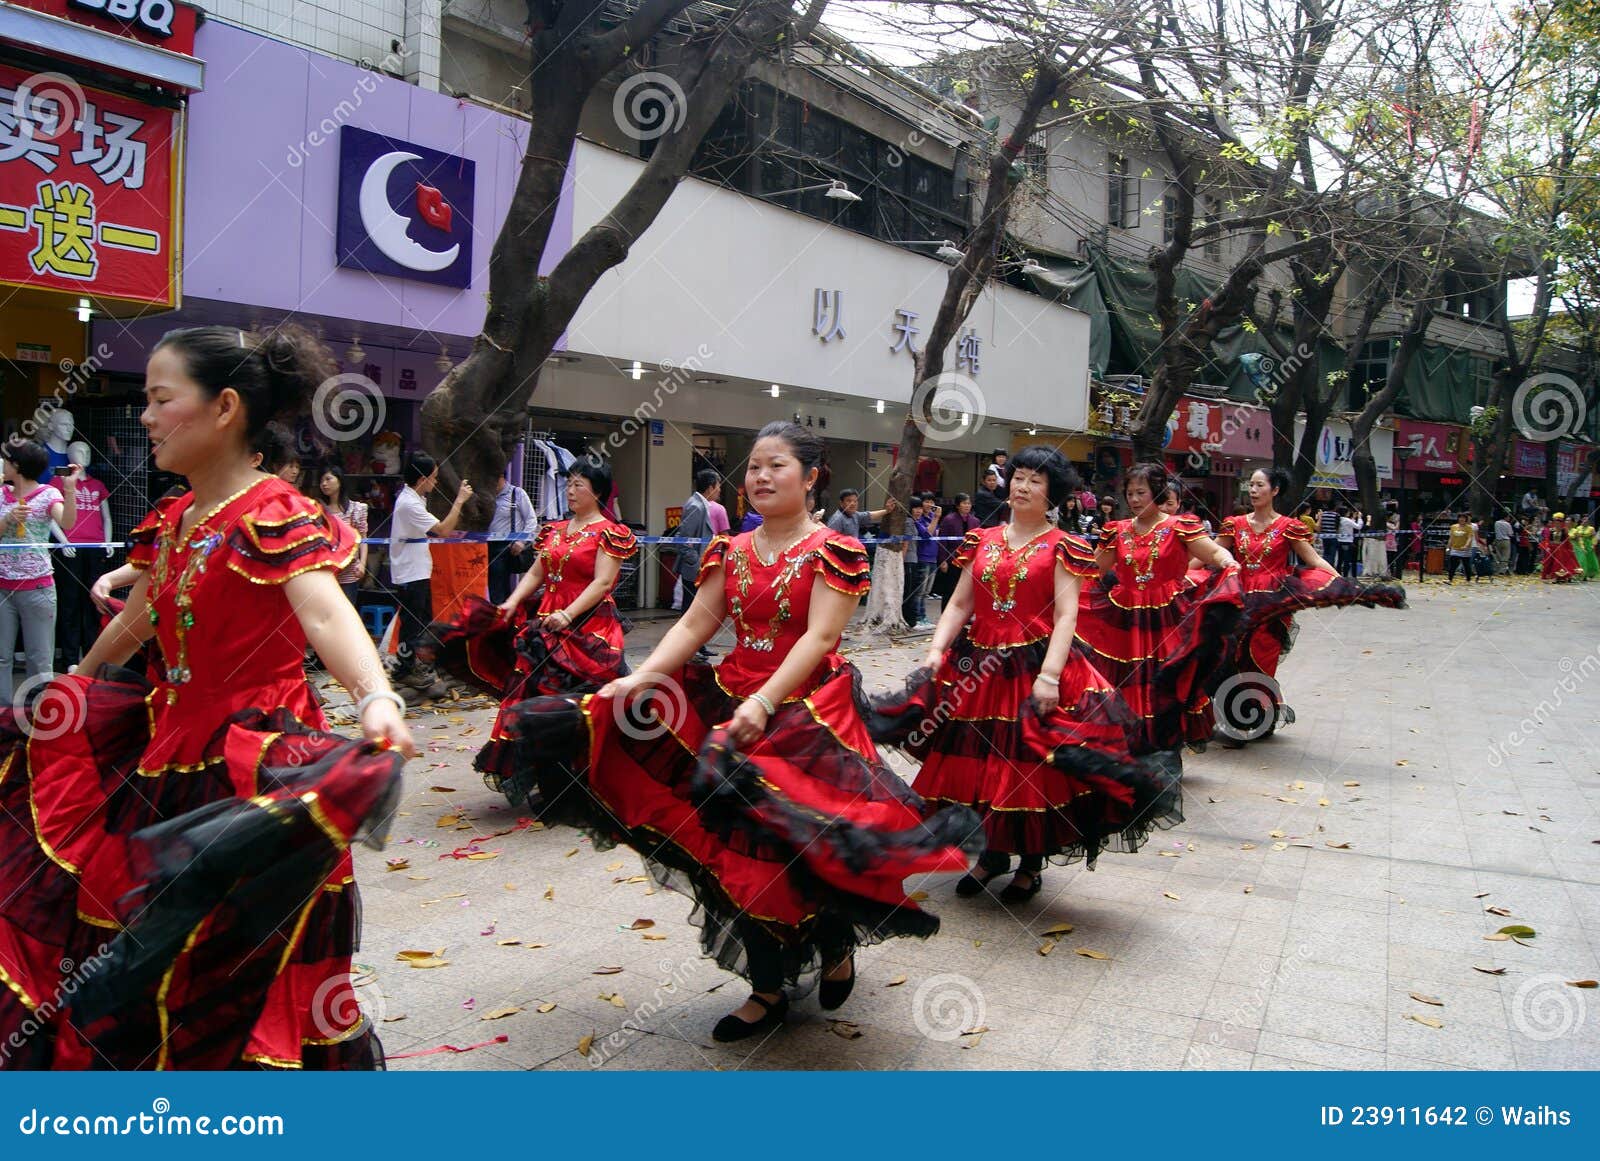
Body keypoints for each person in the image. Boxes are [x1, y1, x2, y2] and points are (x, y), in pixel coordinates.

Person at [0, 324, 414, 1070]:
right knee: (136, 940)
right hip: (164, 752)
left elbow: (322, 611)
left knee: (238, 961)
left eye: (162, 399)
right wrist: (73, 690)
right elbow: (137, 621)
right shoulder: (177, 517)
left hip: (253, 766)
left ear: (224, 408)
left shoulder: (275, 509)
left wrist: (376, 697)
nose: (148, 416)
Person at [501, 421, 980, 1042]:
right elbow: (699, 621)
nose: (759, 477)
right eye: (754, 466)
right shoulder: (732, 549)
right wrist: (640, 677)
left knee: (810, 845)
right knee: (738, 854)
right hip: (731, 702)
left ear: (810, 478)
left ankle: (835, 946)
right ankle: (767, 987)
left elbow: (821, 637)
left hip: (807, 717)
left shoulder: (835, 549)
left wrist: (764, 701)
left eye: (776, 466)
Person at [869, 447, 1182, 903]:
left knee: (1028, 768)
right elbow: (959, 603)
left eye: (1035, 480)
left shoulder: (1064, 545)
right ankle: (990, 855)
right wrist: (936, 651)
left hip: (1035, 666)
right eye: (1018, 477)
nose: (1022, 486)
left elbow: (1066, 615)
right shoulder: (984, 538)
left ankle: (1029, 865)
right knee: (977, 766)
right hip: (977, 668)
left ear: (1050, 492)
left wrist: (1051, 676)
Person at [429, 457, 637, 810]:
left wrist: (568, 614)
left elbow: (602, 582)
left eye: (579, 484)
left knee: (581, 703)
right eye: (568, 483)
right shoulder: (553, 530)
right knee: (530, 696)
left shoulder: (610, 533)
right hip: (545, 622)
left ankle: (591, 776)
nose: (571, 490)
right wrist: (510, 603)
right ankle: (546, 773)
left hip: (588, 627)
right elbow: (537, 574)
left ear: (597, 491)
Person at [1213, 469, 1405, 744]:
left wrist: (1341, 584)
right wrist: (1181, 572)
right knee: (1231, 657)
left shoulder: (1289, 526)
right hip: (1238, 601)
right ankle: (1247, 718)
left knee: (1260, 659)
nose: (1253, 490)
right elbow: (1212, 553)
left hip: (1274, 606)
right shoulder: (1234, 524)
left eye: (1259, 485)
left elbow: (1313, 560)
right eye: (1251, 485)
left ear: (1274, 490)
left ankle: (1248, 721)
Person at [1074, 462, 1242, 769]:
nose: (1135, 499)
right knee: (1124, 683)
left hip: (1168, 620)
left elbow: (1213, 553)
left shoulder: (1180, 526)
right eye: (1130, 493)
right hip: (1124, 622)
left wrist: (1228, 561)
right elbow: (1091, 569)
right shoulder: (1117, 531)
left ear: (1157, 492)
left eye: (1141, 492)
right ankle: (1134, 750)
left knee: (1164, 683)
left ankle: (1164, 752)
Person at [388, 451, 472, 701]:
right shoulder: (409, 503)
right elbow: (443, 529)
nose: (435, 483)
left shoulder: (415, 498)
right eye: (433, 478)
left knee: (421, 621)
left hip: (417, 570)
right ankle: (404, 670)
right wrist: (459, 500)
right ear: (422, 478)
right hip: (409, 572)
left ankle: (415, 665)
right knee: (412, 625)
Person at [0, 439, 77, 703]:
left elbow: (67, 522)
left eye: (6, 460)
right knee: (1, 656)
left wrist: (70, 490)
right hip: (2, 587)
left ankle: (38, 718)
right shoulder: (1, 493)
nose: (3, 464)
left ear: (17, 466)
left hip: (38, 588)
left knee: (40, 658)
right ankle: (4, 717)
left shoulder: (48, 494)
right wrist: (8, 519)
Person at [674, 469, 723, 657]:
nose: (719, 490)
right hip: (693, 569)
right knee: (690, 610)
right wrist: (697, 563)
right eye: (718, 486)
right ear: (710, 487)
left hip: (698, 568)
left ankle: (697, 646)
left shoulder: (703, 505)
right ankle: (686, 647)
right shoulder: (696, 506)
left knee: (697, 609)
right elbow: (684, 540)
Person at [319, 465, 369, 606]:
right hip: (327, 571)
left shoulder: (356, 509)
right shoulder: (320, 510)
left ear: (340, 481)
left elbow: (363, 538)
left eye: (328, 479)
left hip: (349, 572)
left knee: (347, 608)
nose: (324, 484)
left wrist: (362, 563)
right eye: (321, 480)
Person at [486, 465, 536, 606]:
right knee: (495, 583)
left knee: (498, 584)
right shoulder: (487, 496)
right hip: (487, 545)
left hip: (507, 546)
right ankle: (504, 615)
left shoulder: (517, 493)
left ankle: (500, 614)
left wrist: (521, 541)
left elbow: (531, 520)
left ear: (501, 477)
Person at [933, 492, 980, 606]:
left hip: (968, 560)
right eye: (964, 503)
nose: (967, 506)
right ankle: (946, 614)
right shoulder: (949, 519)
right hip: (952, 559)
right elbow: (942, 540)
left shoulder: (975, 521)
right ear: (958, 505)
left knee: (966, 589)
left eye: (969, 503)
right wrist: (943, 560)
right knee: (950, 589)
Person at [826, 488, 893, 539]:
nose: (853, 504)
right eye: (848, 501)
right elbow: (830, 540)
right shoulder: (837, 519)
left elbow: (869, 515)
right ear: (841, 503)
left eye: (855, 501)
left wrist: (887, 511)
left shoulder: (855, 514)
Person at [1541, 513, 1580, 583]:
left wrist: (1569, 549)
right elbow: (1548, 540)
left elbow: (1566, 541)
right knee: (1549, 563)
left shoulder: (1564, 530)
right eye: (1556, 521)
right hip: (1552, 548)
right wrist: (1548, 547)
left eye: (1559, 521)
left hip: (1560, 549)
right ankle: (1551, 576)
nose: (1557, 522)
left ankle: (1557, 577)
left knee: (1558, 564)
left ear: (1561, 522)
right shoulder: (1551, 530)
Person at [1445, 511, 1477, 584]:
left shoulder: (1469, 528)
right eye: (1460, 518)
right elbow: (1451, 537)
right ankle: (1450, 579)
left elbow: (1470, 538)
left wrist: (1466, 545)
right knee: (1453, 565)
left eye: (1463, 518)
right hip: (1455, 549)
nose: (1461, 519)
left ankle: (1468, 580)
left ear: (1466, 519)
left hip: (1465, 550)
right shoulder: (1453, 527)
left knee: (1466, 565)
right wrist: (1448, 547)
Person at [1573, 514, 1599, 580]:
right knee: (1581, 559)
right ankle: (1581, 573)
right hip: (1579, 545)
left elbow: (1594, 537)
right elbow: (1575, 536)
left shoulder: (1591, 528)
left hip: (1588, 545)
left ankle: (1587, 574)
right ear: (1582, 520)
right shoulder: (1578, 528)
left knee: (1589, 560)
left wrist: (1593, 545)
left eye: (1586, 520)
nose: (1585, 521)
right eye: (1584, 519)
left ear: (1588, 521)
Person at [1336, 506, 1359, 576]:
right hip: (1347, 542)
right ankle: (1345, 576)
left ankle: (1338, 575)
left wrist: (1353, 518)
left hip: (1339, 541)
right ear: (1345, 512)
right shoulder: (1346, 520)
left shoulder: (1338, 519)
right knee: (1346, 560)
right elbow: (1358, 526)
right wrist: (1360, 518)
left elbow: (1350, 524)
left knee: (1340, 560)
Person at [1493, 510, 1514, 577]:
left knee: (1499, 556)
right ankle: (1502, 571)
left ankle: (1497, 569)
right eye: (1508, 517)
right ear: (1506, 517)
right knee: (1505, 556)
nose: (1509, 518)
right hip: (1506, 540)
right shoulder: (1508, 524)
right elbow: (1510, 533)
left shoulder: (1496, 523)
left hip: (1498, 540)